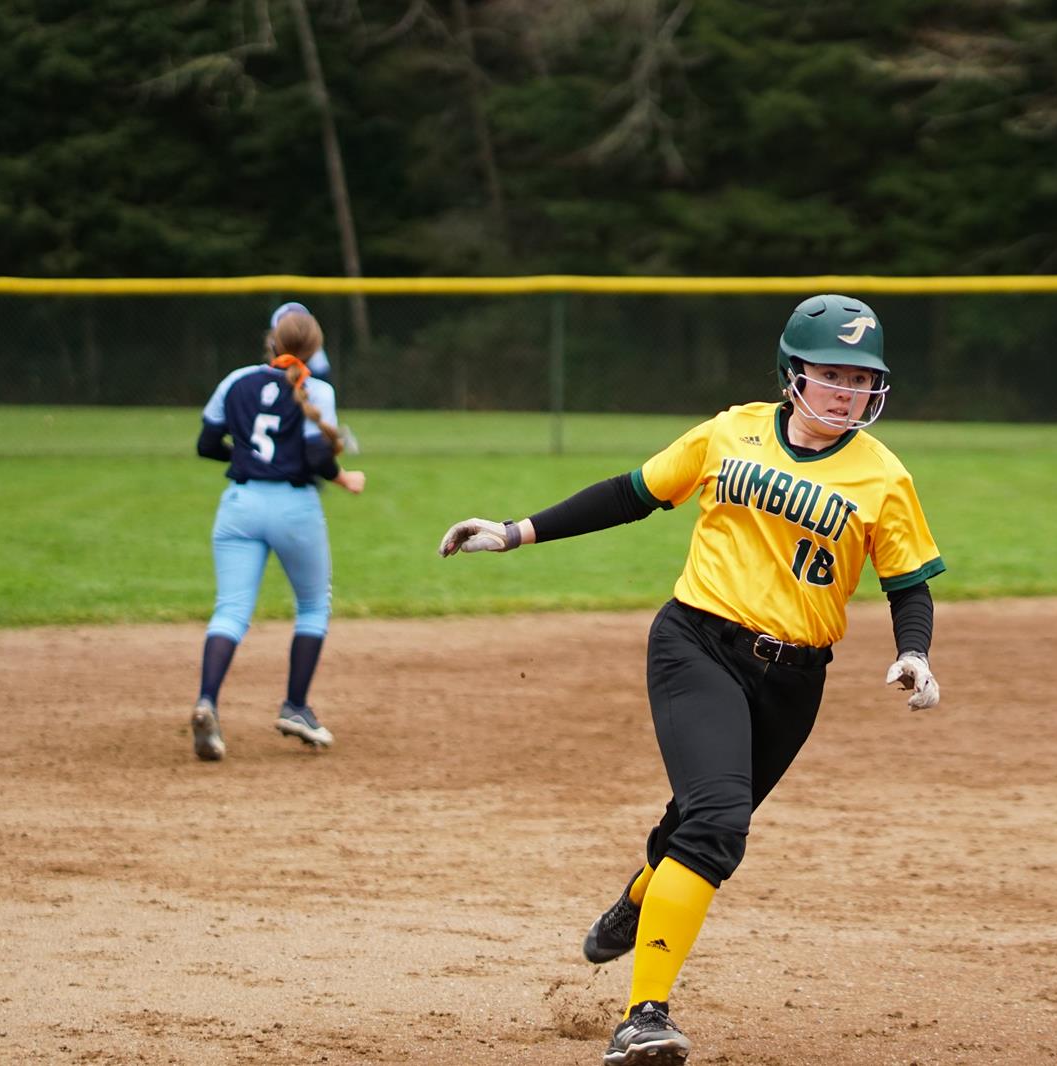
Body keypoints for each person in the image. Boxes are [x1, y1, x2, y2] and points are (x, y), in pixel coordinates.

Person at [438, 294, 945, 1066]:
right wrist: (515, 532)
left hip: (795, 680)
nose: (848, 390)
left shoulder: (884, 476)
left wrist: (916, 652)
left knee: (691, 827)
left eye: (861, 377)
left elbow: (908, 583)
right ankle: (643, 1017)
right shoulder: (729, 431)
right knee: (717, 827)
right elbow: (632, 492)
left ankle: (636, 901)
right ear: (792, 375)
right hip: (696, 644)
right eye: (832, 373)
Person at [191, 307, 366, 761]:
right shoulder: (317, 389)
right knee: (311, 607)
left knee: (230, 611)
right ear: (314, 348)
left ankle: (207, 701)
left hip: (239, 503)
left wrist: (247, 457)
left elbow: (207, 445)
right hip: (293, 508)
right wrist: (344, 478)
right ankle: (295, 707)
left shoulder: (235, 381)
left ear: (271, 341)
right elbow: (313, 455)